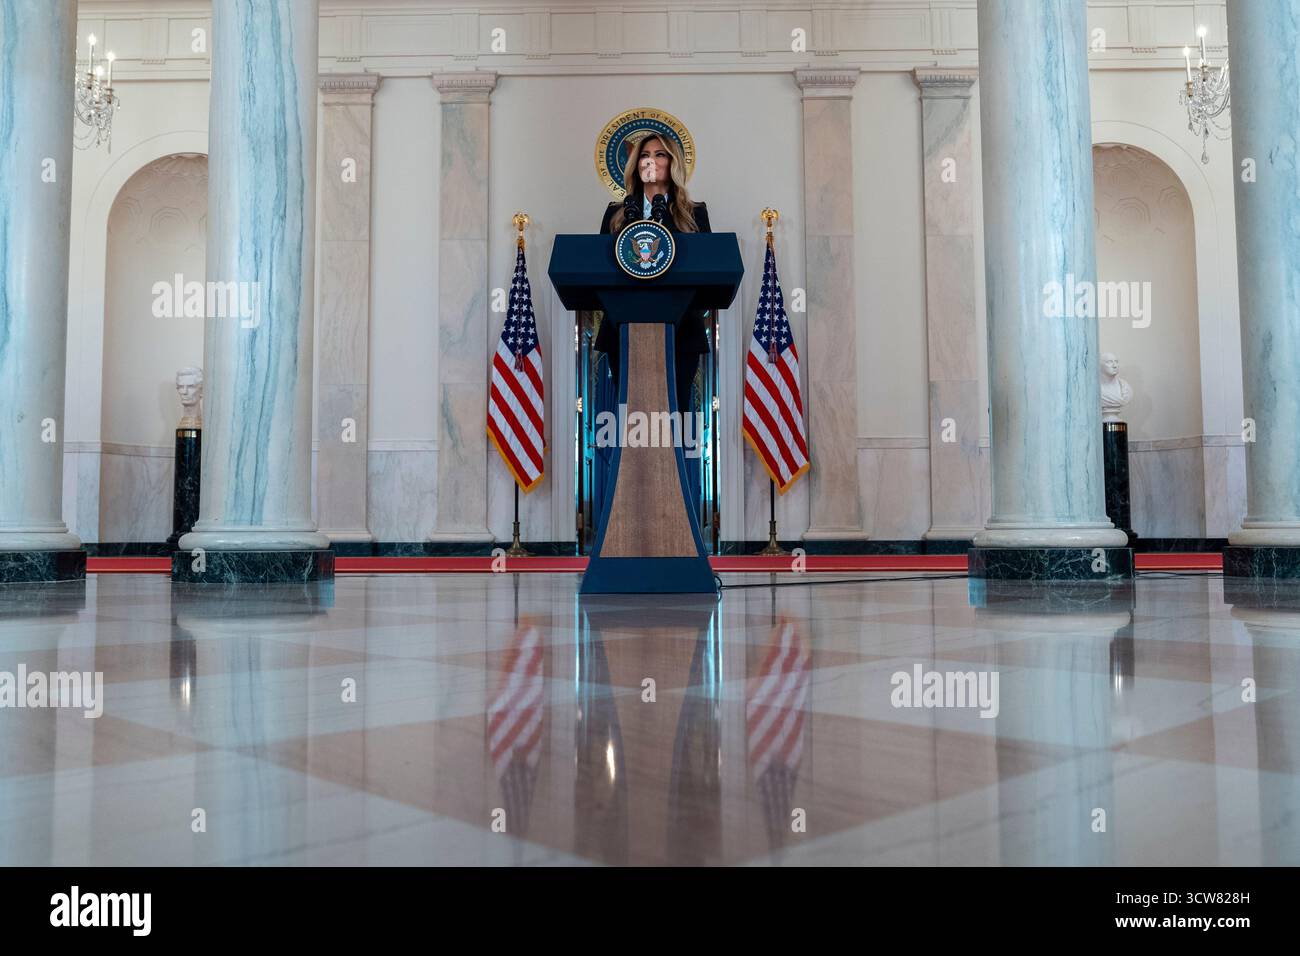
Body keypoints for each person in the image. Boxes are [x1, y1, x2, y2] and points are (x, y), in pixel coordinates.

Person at [597, 133, 712, 413]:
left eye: (660, 154)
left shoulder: (694, 214)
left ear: (672, 163)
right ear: (636, 165)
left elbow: (710, 270)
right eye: (645, 155)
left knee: (672, 422)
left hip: (681, 334)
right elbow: (598, 271)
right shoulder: (616, 214)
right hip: (623, 335)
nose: (651, 160)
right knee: (632, 421)